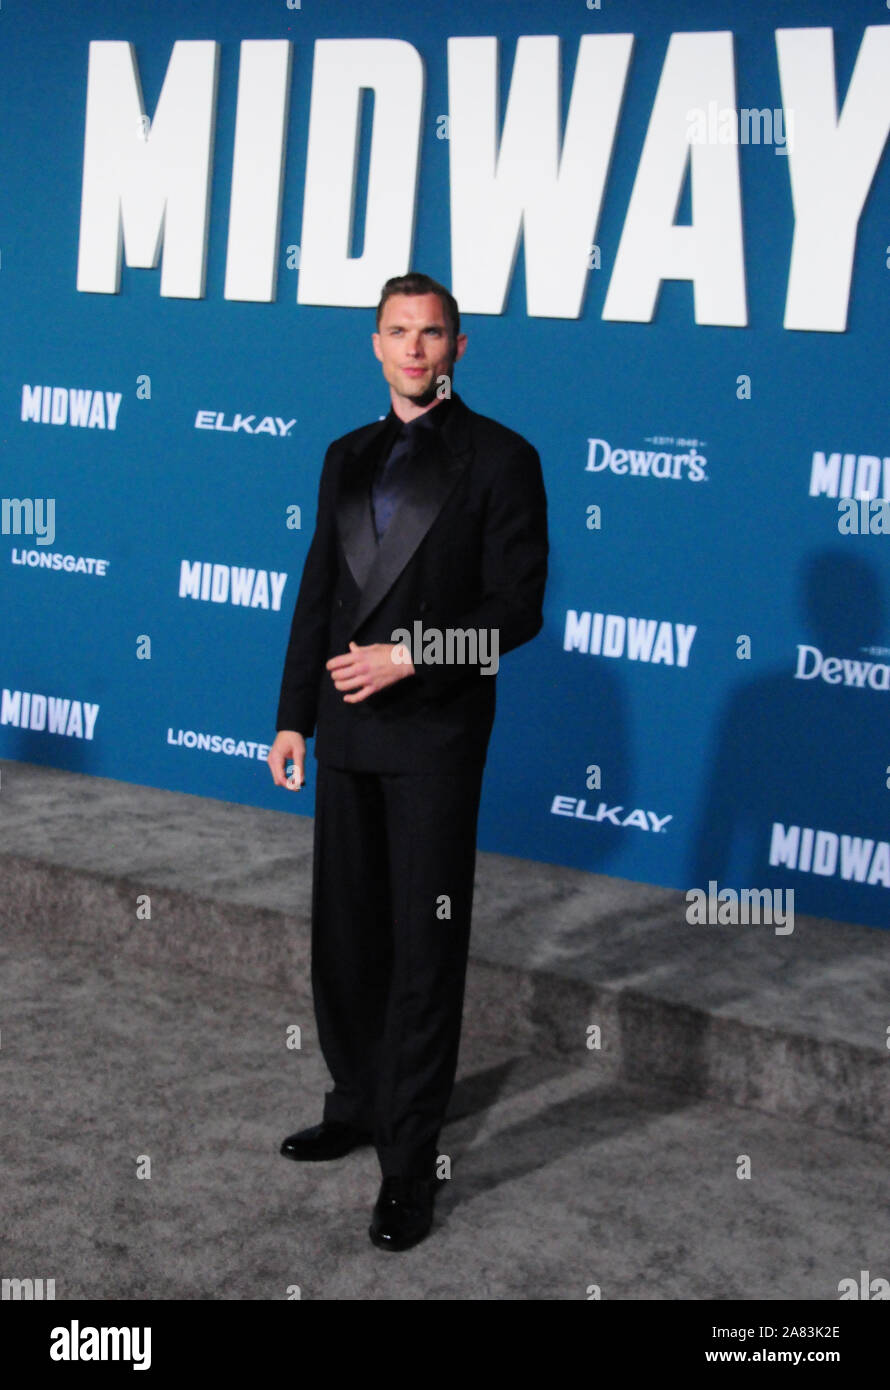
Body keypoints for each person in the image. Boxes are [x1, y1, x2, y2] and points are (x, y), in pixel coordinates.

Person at [267, 271, 548, 1250]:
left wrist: (414, 652)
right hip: (342, 729)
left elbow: (519, 613)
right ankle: (357, 1100)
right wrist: (293, 714)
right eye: (398, 332)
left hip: (433, 732)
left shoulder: (503, 458)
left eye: (432, 333)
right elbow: (317, 589)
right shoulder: (343, 455)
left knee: (423, 948)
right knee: (345, 933)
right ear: (374, 344)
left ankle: (409, 1163)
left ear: (458, 347)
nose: (415, 348)